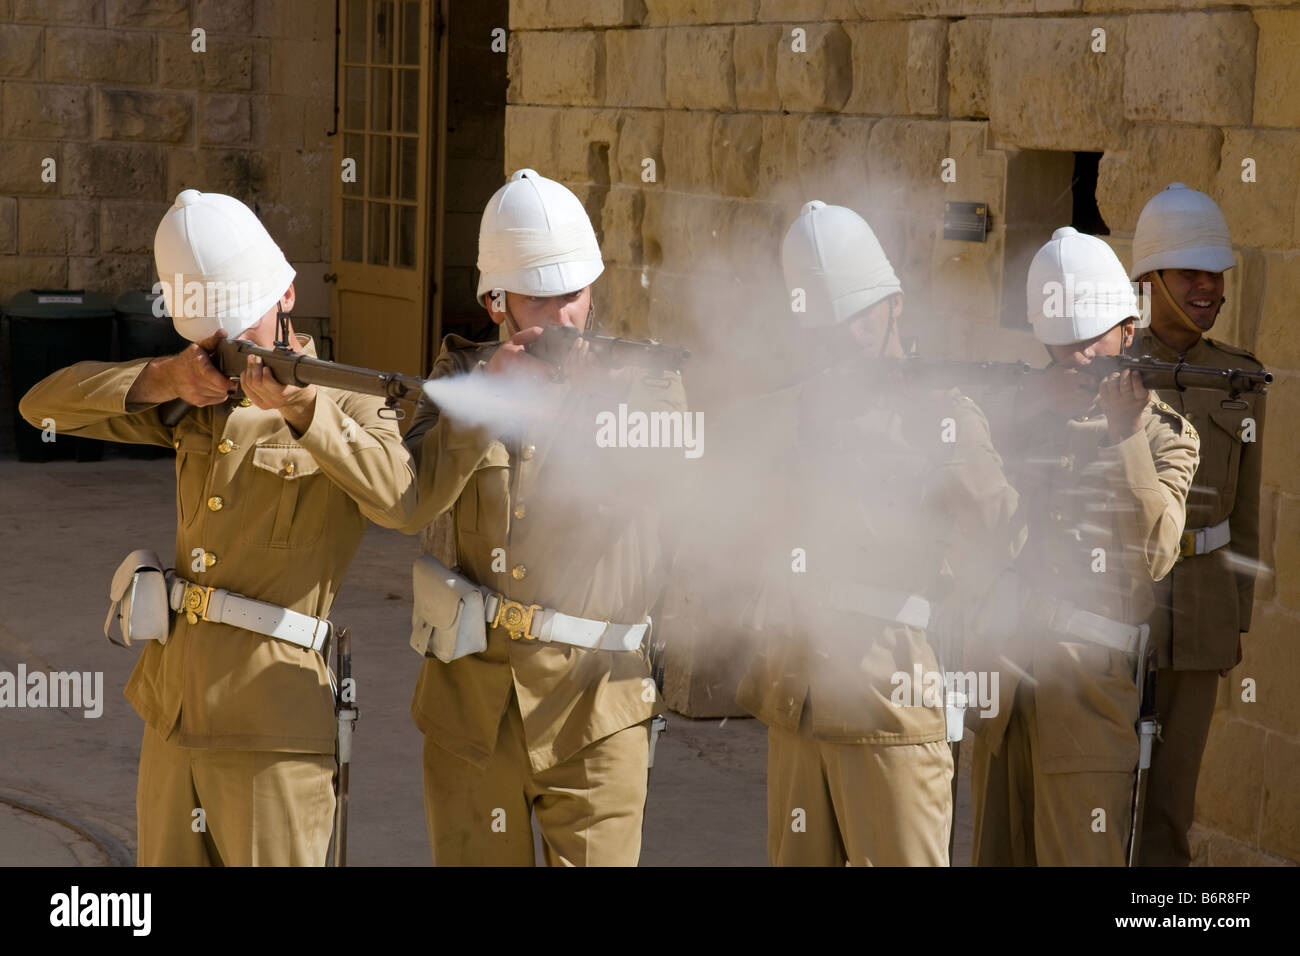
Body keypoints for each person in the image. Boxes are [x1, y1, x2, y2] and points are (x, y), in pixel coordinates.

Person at [19, 189, 416, 865]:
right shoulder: (196, 393)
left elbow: (402, 503)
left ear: (287, 293)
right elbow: (41, 407)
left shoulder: (347, 398)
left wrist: (304, 414)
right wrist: (163, 377)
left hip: (274, 725)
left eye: (242, 326)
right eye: (213, 336)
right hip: (173, 713)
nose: (230, 347)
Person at [400, 169, 687, 865]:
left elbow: (675, 483)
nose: (563, 317)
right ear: (497, 300)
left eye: (575, 295)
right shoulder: (457, 382)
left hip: (596, 711)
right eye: (540, 298)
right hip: (472, 710)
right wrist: (487, 400)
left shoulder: (649, 386)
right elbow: (408, 500)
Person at [734, 200, 1021, 865]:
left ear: (894, 304)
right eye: (824, 325)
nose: (840, 336)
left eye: (855, 317)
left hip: (893, 702)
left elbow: (1005, 541)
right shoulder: (796, 407)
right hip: (797, 690)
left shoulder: (946, 415)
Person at [969, 226, 1199, 866]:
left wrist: (1124, 436)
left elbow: (1155, 553)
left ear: (1129, 332)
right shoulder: (1013, 410)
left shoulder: (1164, 437)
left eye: (1089, 343)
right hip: (1005, 687)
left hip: (1087, 696)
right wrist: (1020, 412)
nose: (1073, 360)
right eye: (1059, 346)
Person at [1126, 184, 1267, 866]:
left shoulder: (1240, 378)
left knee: (1171, 804)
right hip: (1123, 605)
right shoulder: (1113, 366)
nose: (1209, 288)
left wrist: (1233, 618)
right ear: (1150, 279)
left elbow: (1244, 515)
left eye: (1215, 275)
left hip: (1203, 611)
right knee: (1107, 788)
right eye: (1191, 274)